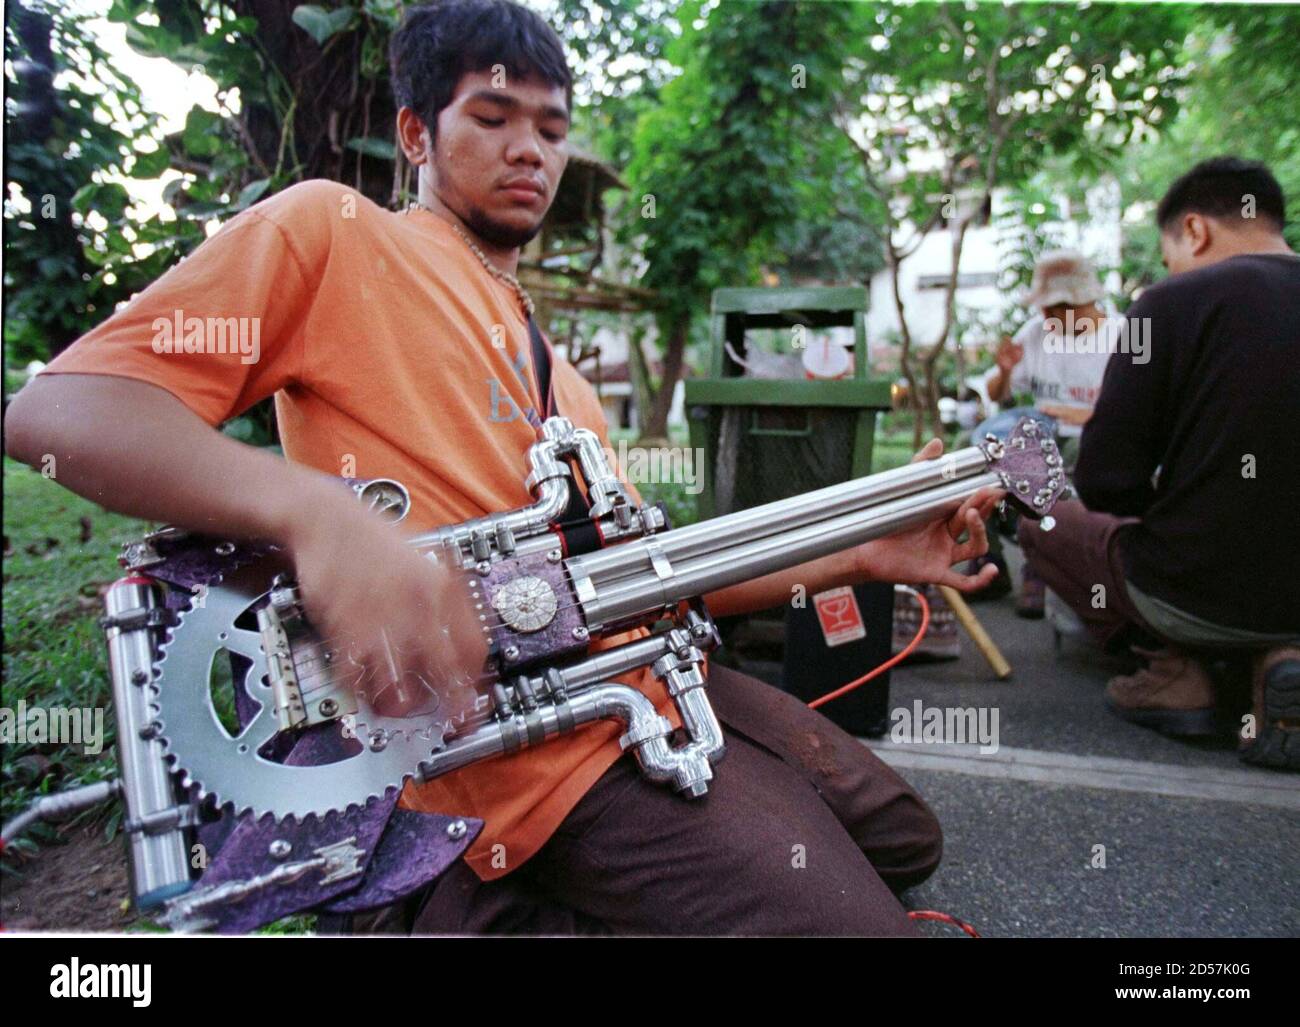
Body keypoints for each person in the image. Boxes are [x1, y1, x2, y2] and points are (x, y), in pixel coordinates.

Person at [4, 0, 1003, 933]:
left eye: (551, 128)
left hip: (653, 676)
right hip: (521, 753)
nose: (529, 148)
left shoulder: (555, 368)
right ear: (414, 135)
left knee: (909, 836)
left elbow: (642, 574)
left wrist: (865, 553)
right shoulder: (332, 236)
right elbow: (60, 411)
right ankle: (454, 896)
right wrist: (314, 513)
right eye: (490, 116)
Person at [1016, 157, 1300, 769]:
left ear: (1193, 230)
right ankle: (1277, 658)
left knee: (1042, 522)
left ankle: (1177, 669)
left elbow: (1104, 480)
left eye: (1171, 254)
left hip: (1194, 588)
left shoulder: (1170, 304)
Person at [969, 250, 1114, 617]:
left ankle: (1042, 562)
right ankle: (990, 561)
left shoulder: (1122, 336)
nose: (1046, 317)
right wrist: (1003, 372)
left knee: (1065, 458)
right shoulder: (1036, 331)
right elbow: (998, 395)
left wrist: (1073, 412)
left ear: (1085, 301)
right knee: (974, 450)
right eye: (1045, 309)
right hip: (1041, 429)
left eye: (1058, 309)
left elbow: (1139, 411)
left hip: (1091, 435)